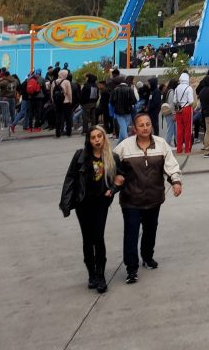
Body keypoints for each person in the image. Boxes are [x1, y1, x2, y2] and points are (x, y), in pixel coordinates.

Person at [114, 111, 183, 284]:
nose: (145, 128)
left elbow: (171, 165)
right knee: (131, 233)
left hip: (154, 197)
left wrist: (175, 181)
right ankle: (131, 268)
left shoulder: (161, 144)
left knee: (150, 230)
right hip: (131, 200)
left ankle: (147, 256)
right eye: (141, 125)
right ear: (134, 128)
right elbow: (111, 164)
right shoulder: (124, 146)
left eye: (148, 124)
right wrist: (116, 177)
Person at [60, 125, 125, 293]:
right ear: (88, 140)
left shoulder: (113, 158)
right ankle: (91, 274)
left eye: (99, 136)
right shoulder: (80, 156)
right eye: (93, 137)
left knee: (98, 238)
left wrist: (114, 188)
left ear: (104, 138)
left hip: (101, 204)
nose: (97, 140)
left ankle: (101, 275)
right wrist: (66, 203)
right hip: (83, 204)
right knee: (87, 239)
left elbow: (123, 175)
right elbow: (70, 179)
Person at [170, 72, 195, 154]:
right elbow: (191, 101)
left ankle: (179, 149)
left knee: (179, 130)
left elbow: (174, 101)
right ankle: (187, 149)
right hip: (187, 109)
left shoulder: (177, 88)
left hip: (178, 110)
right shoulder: (189, 88)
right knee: (188, 129)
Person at [53, 69, 74, 138]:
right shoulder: (67, 82)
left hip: (58, 103)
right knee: (68, 118)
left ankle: (58, 133)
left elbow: (52, 93)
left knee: (58, 117)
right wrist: (71, 101)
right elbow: (69, 93)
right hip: (66, 102)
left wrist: (54, 101)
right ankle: (68, 132)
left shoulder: (54, 82)